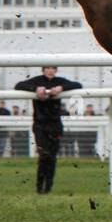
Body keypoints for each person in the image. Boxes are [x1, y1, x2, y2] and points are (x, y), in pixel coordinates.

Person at [15, 66, 82, 194]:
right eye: (47, 68)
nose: (50, 71)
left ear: (55, 70)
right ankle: (40, 188)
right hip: (40, 124)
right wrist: (35, 89)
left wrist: (61, 88)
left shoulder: (60, 81)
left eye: (52, 68)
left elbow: (78, 85)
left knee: (52, 157)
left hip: (55, 125)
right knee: (44, 155)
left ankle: (48, 188)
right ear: (43, 70)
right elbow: (18, 85)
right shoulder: (37, 81)